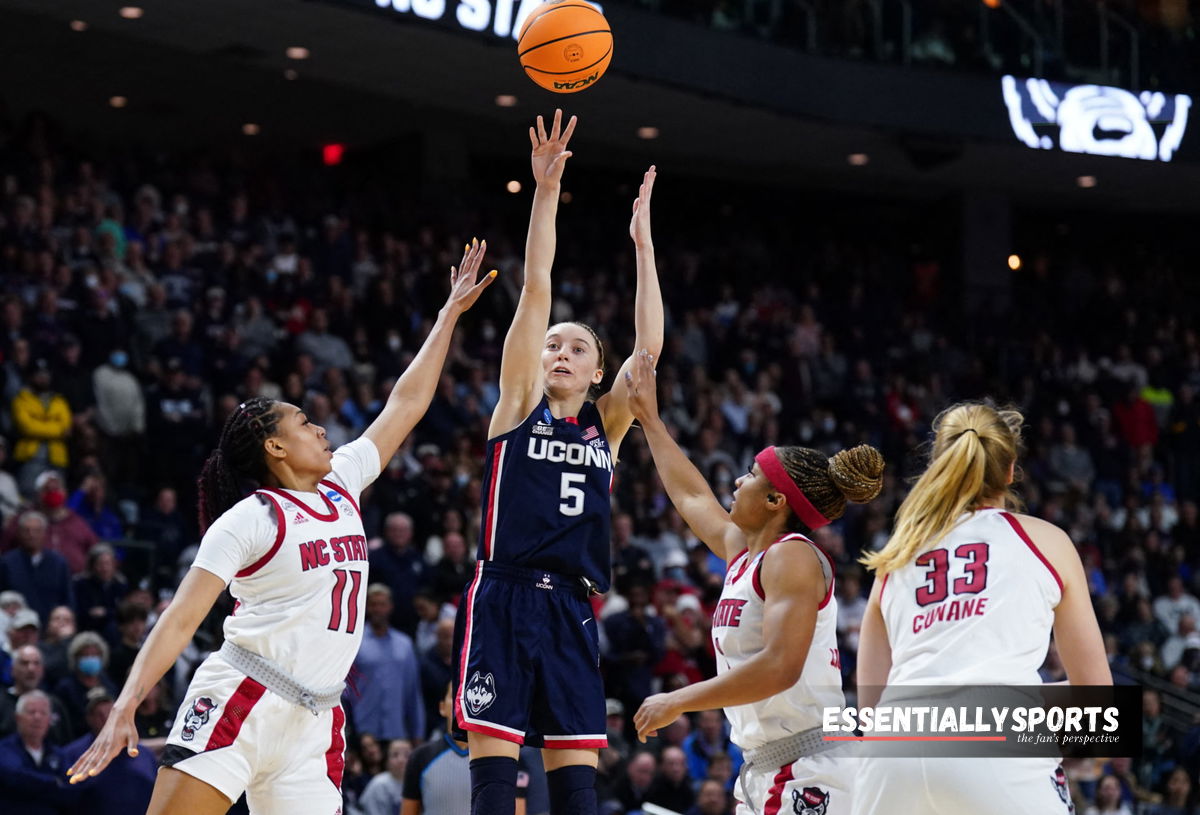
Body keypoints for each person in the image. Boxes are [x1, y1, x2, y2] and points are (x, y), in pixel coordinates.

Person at [66, 243, 495, 815]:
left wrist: (447, 318)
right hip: (242, 696)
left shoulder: (342, 481)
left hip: (317, 721)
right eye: (302, 422)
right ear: (274, 447)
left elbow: (405, 405)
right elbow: (181, 619)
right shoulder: (250, 518)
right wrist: (126, 707)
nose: (320, 428)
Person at [453, 109, 662, 815]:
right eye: (553, 346)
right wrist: (545, 193)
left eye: (577, 347)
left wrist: (643, 247)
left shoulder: (608, 424)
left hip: (573, 605)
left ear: (600, 372)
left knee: (578, 794)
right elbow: (535, 286)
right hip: (504, 595)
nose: (560, 352)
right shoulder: (516, 405)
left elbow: (649, 349)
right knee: (494, 787)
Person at [626, 351, 885, 815]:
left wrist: (677, 700)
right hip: (769, 766)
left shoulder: (793, 556)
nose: (736, 481)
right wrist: (648, 419)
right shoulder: (745, 554)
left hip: (809, 767)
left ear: (773, 499)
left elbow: (780, 666)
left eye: (749, 475)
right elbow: (690, 495)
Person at [853, 402, 1111, 815]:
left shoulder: (895, 556)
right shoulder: (1047, 541)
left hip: (891, 750)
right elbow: (1096, 696)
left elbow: (869, 707)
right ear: (1010, 471)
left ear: (940, 464)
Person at [405, 684, 528, 815]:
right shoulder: (420, 757)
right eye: (454, 695)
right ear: (442, 707)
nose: (461, 702)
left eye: (466, 694)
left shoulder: (507, 756)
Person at [347, 583, 425, 744]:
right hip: (363, 733)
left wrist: (417, 732)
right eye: (373, 604)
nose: (378, 609)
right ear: (366, 607)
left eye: (382, 604)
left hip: (397, 732)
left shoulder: (404, 644)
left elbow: (412, 691)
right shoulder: (355, 642)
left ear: (390, 607)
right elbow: (345, 691)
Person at [62, 688, 156, 815]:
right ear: (89, 719)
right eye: (98, 714)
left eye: (110, 712)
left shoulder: (143, 754)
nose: (105, 718)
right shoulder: (74, 755)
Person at [0, 690, 79, 815]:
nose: (37, 717)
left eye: (43, 713)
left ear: (49, 719)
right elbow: (15, 778)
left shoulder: (58, 754)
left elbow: (70, 791)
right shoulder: (4, 749)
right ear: (18, 718)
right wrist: (54, 783)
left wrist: (34, 785)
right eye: (31, 712)